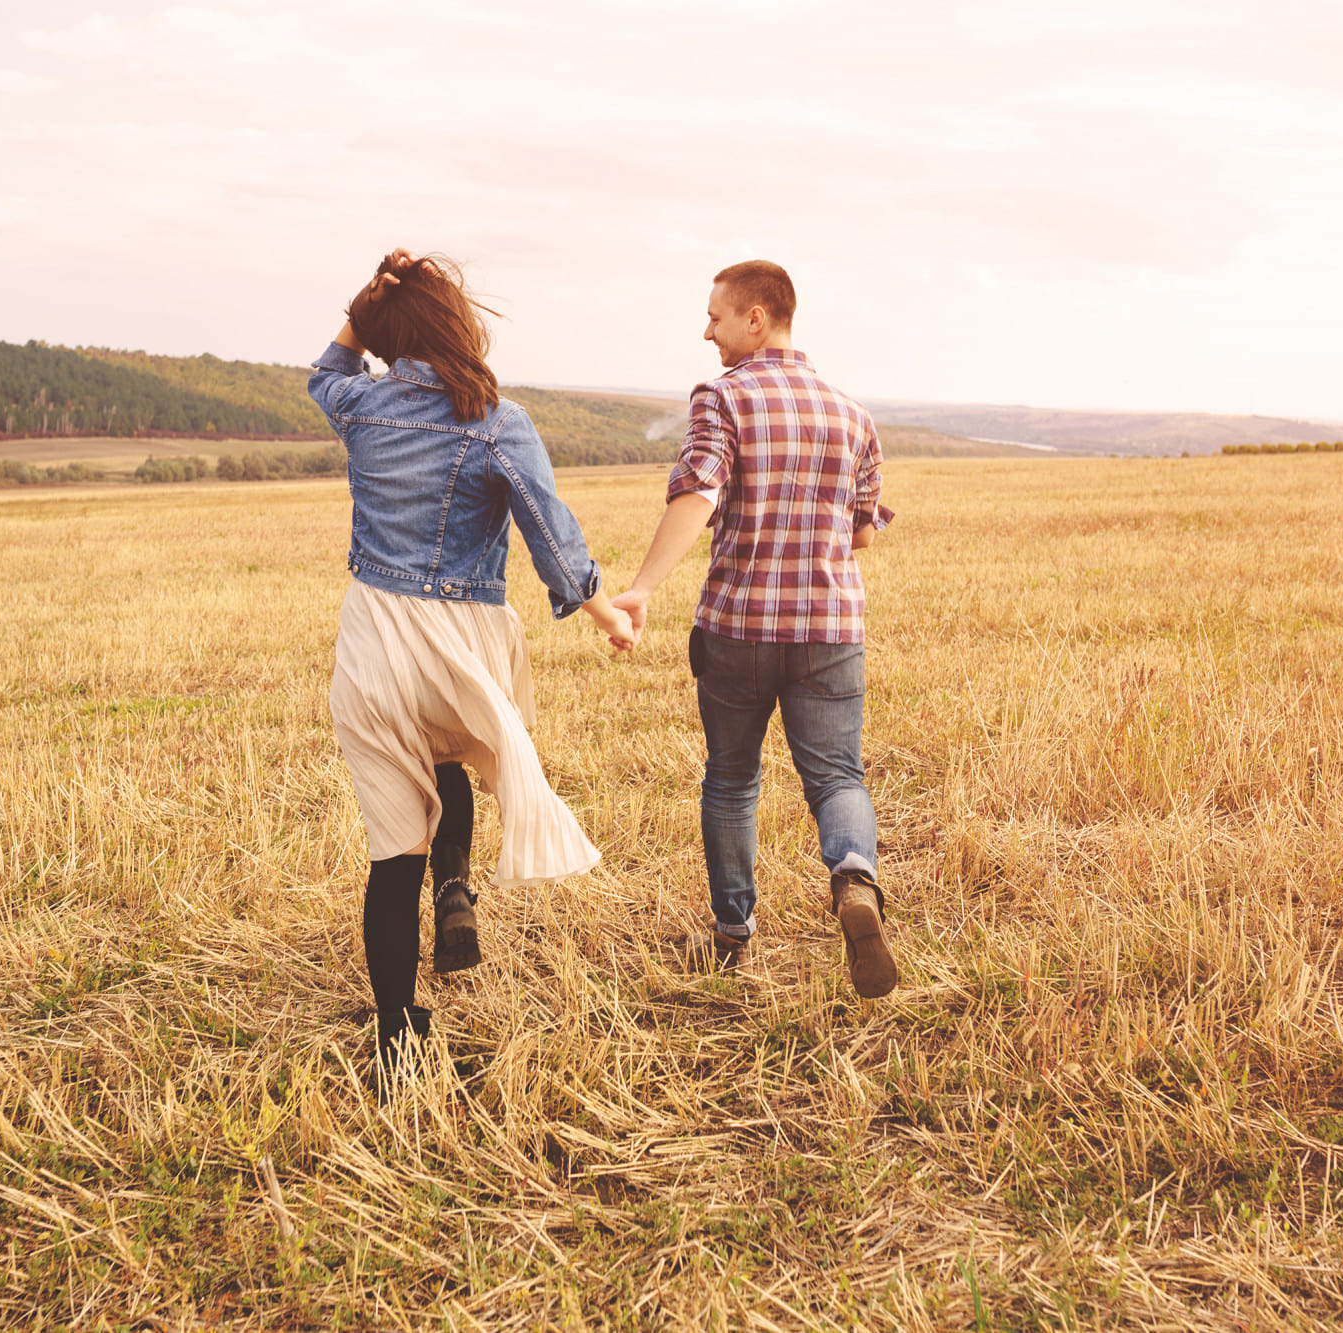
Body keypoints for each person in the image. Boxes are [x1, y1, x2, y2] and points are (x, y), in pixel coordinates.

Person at [308, 249, 636, 1094]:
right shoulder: (497, 417)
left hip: (374, 639)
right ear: (458, 325)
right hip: (460, 640)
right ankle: (456, 883)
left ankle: (396, 1039)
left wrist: (366, 300)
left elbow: (327, 370)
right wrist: (601, 609)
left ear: (389, 334)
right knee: (455, 757)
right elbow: (548, 532)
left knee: (392, 849)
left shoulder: (362, 406)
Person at [612, 260, 899, 998]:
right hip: (830, 628)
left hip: (739, 627)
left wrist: (642, 587)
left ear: (757, 319)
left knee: (733, 779)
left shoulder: (722, 397)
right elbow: (863, 535)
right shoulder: (852, 414)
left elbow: (700, 489)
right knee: (837, 776)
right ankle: (855, 879)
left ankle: (733, 932)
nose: (705, 329)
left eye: (715, 315)